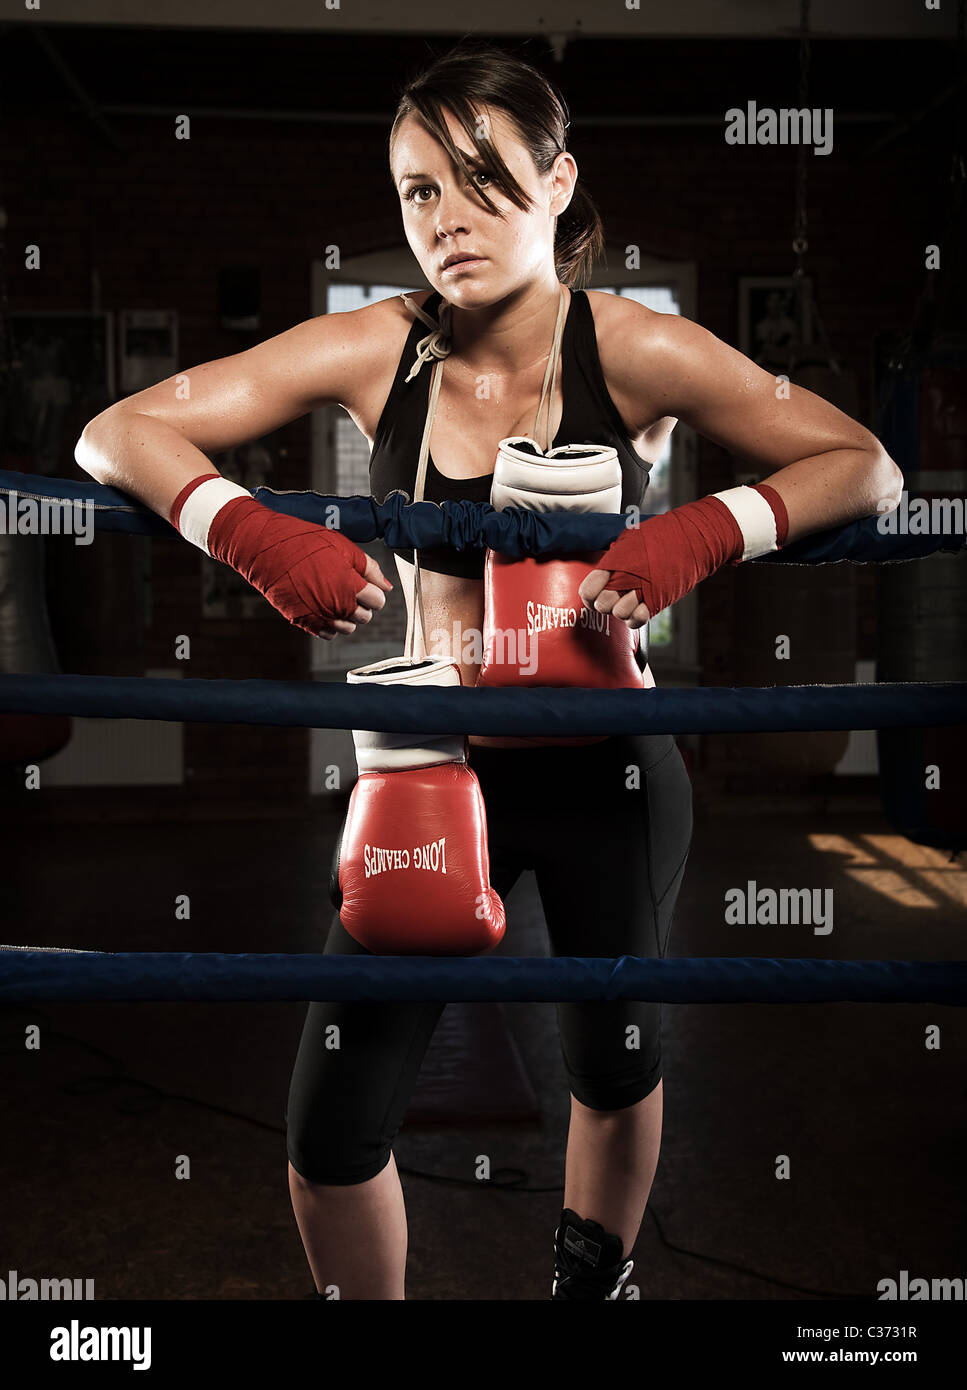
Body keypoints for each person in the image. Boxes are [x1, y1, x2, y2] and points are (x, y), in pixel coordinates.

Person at [75, 40, 901, 1302]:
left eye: (479, 179)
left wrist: (700, 530)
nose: (445, 219)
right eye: (417, 190)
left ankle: (592, 1282)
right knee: (330, 1129)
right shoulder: (379, 348)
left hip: (607, 772)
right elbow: (115, 432)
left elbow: (865, 465)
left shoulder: (625, 346)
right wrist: (242, 526)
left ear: (558, 182)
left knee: (614, 1064)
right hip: (433, 769)